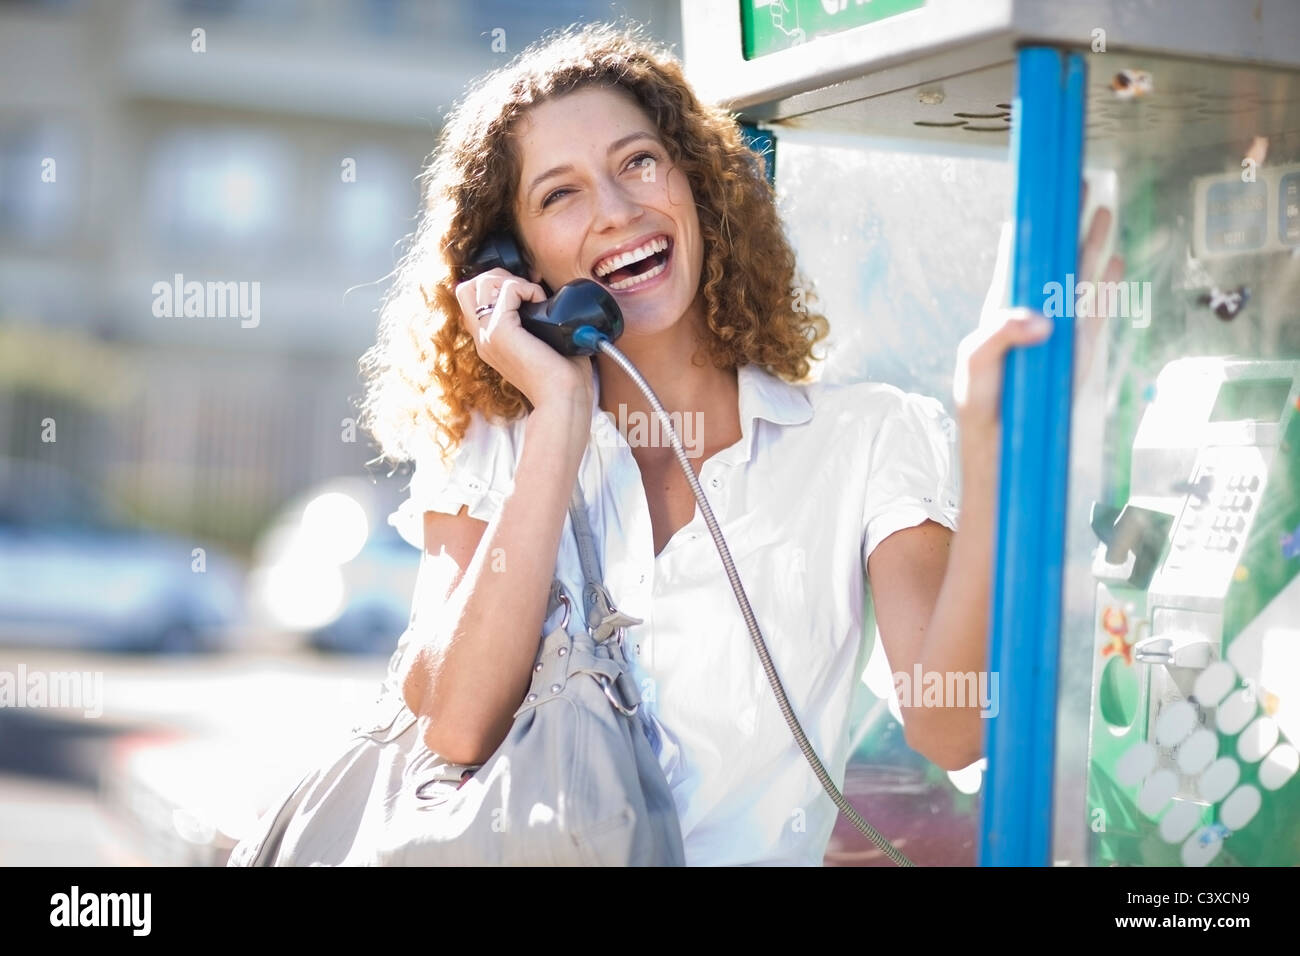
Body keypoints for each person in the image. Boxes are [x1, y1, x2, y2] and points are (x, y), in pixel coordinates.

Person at [357, 22, 1120, 866]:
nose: (618, 211)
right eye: (559, 195)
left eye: (639, 162)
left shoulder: (866, 437)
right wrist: (561, 417)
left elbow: (950, 727)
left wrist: (996, 454)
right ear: (513, 259)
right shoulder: (497, 445)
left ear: (696, 181)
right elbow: (454, 724)